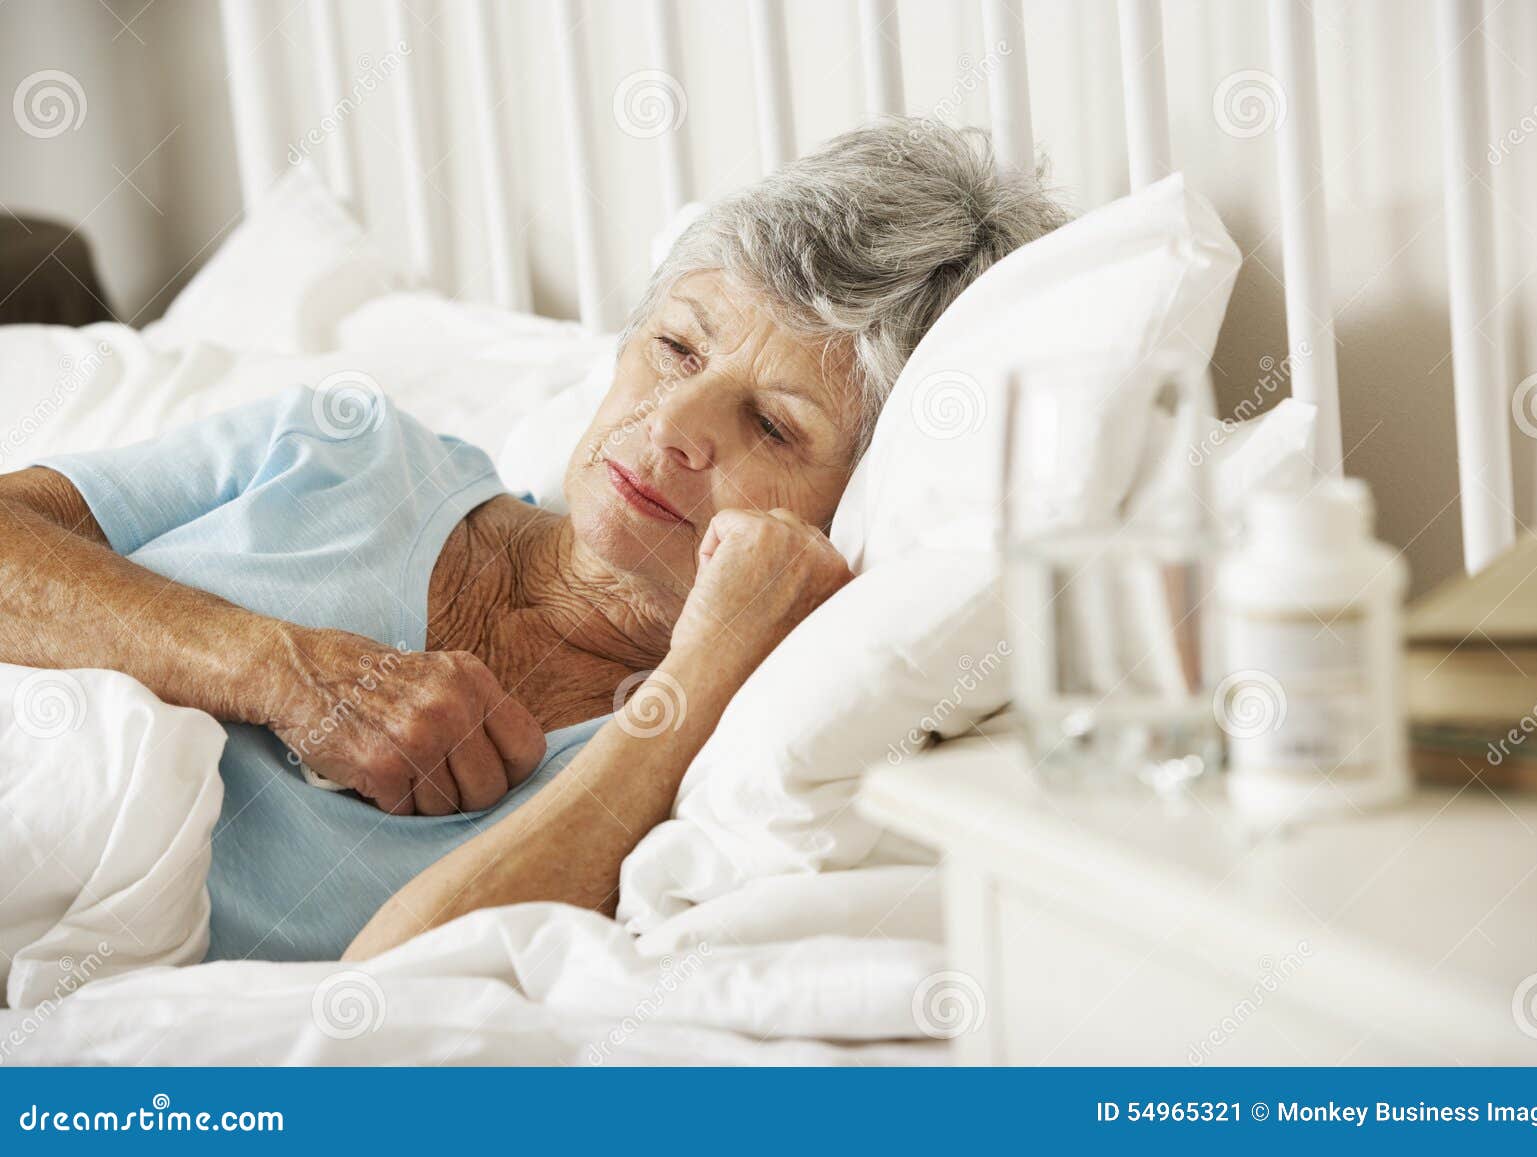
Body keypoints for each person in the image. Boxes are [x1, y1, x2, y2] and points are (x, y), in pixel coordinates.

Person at [0, 117, 1068, 962]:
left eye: (774, 425)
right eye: (676, 347)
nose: (674, 426)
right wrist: (281, 670)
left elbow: (396, 985)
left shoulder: (718, 760)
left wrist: (698, 673)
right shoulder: (343, 444)